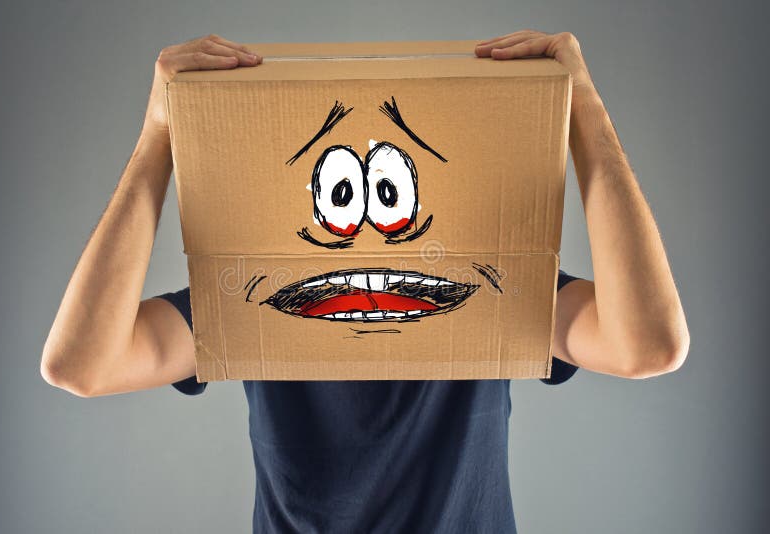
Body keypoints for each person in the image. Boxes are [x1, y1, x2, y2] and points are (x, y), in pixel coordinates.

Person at [41, 30, 690, 532]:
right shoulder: (244, 300)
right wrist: (159, 136)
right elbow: (80, 365)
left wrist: (584, 111)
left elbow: (650, 345)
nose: (370, 233)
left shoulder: (503, 293)